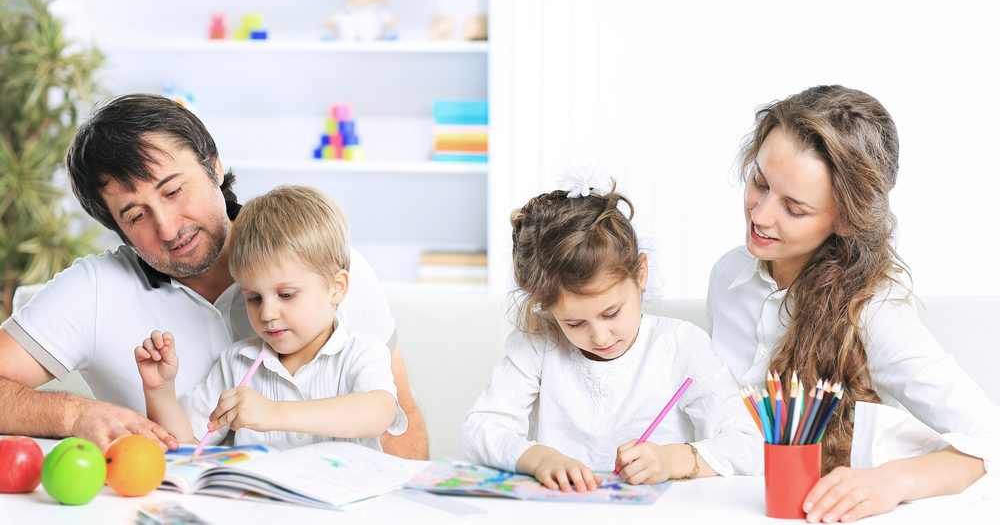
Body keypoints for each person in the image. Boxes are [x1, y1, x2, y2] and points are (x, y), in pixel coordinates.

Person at [0, 94, 427, 458]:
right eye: (135, 215)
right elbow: (186, 436)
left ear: (214, 167)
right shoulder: (93, 290)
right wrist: (75, 415)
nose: (167, 227)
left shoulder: (324, 261)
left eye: (173, 190)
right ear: (117, 229)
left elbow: (398, 426)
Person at [707, 84, 1000, 522]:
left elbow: (991, 440)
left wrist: (892, 482)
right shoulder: (728, 275)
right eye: (760, 183)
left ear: (845, 218)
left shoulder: (873, 308)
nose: (761, 215)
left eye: (795, 207)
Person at [461, 173, 762, 492]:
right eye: (574, 323)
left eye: (612, 313)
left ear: (640, 274)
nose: (601, 337)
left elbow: (749, 445)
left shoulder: (681, 346)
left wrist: (672, 460)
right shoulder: (539, 345)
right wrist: (538, 457)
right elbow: (479, 430)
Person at [136, 186, 405, 448]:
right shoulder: (237, 363)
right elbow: (187, 444)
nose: (266, 313)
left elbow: (378, 412)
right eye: (253, 298)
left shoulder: (360, 352)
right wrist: (160, 391)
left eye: (286, 295)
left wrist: (274, 413)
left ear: (337, 287)